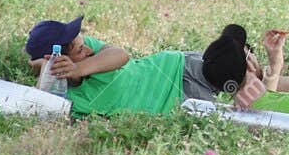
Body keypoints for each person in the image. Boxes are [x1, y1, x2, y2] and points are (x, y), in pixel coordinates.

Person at [24, 16, 222, 117]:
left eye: (83, 45)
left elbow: (121, 55)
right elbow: (38, 109)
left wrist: (78, 69)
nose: (88, 51)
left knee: (242, 72)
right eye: (79, 51)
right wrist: (44, 68)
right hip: (180, 101)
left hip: (178, 67)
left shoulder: (87, 53)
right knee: (240, 120)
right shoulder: (66, 99)